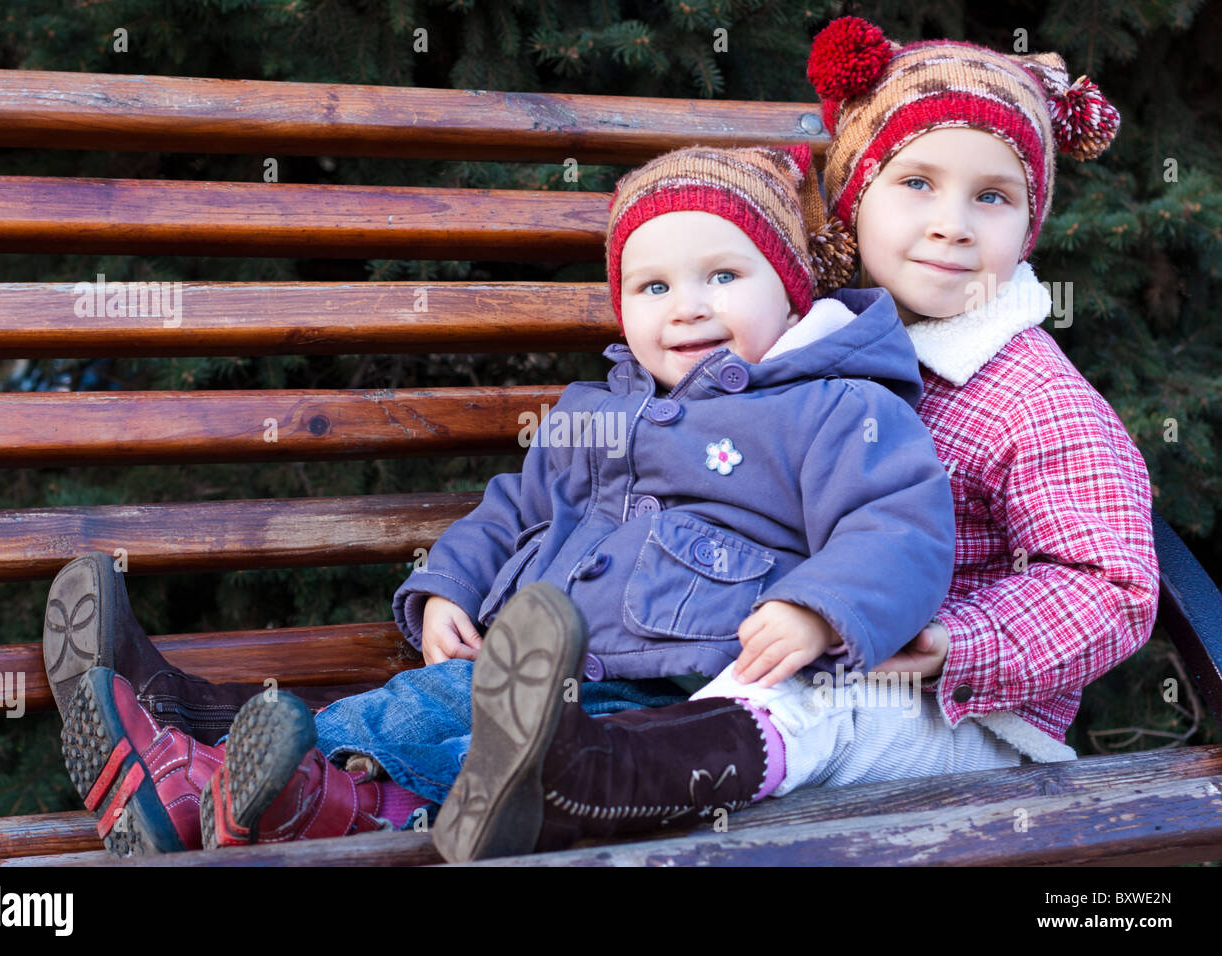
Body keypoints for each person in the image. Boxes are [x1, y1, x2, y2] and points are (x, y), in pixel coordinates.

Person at [55, 141, 969, 856]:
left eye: (722, 277)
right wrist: (448, 587)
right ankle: (213, 781)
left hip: (671, 687)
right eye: (653, 287)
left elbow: (901, 528)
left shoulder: (833, 406)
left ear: (792, 288)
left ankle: (235, 787)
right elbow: (510, 507)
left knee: (476, 751)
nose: (684, 307)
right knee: (417, 708)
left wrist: (818, 611)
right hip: (522, 663)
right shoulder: (594, 410)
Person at [429, 16, 1160, 861]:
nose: (953, 224)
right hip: (775, 647)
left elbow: (1111, 584)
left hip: (959, 708)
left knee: (818, 701)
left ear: (1030, 224)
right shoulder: (786, 341)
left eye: (993, 196)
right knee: (751, 682)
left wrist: (956, 643)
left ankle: (598, 785)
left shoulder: (1033, 394)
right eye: (915, 181)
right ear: (852, 193)